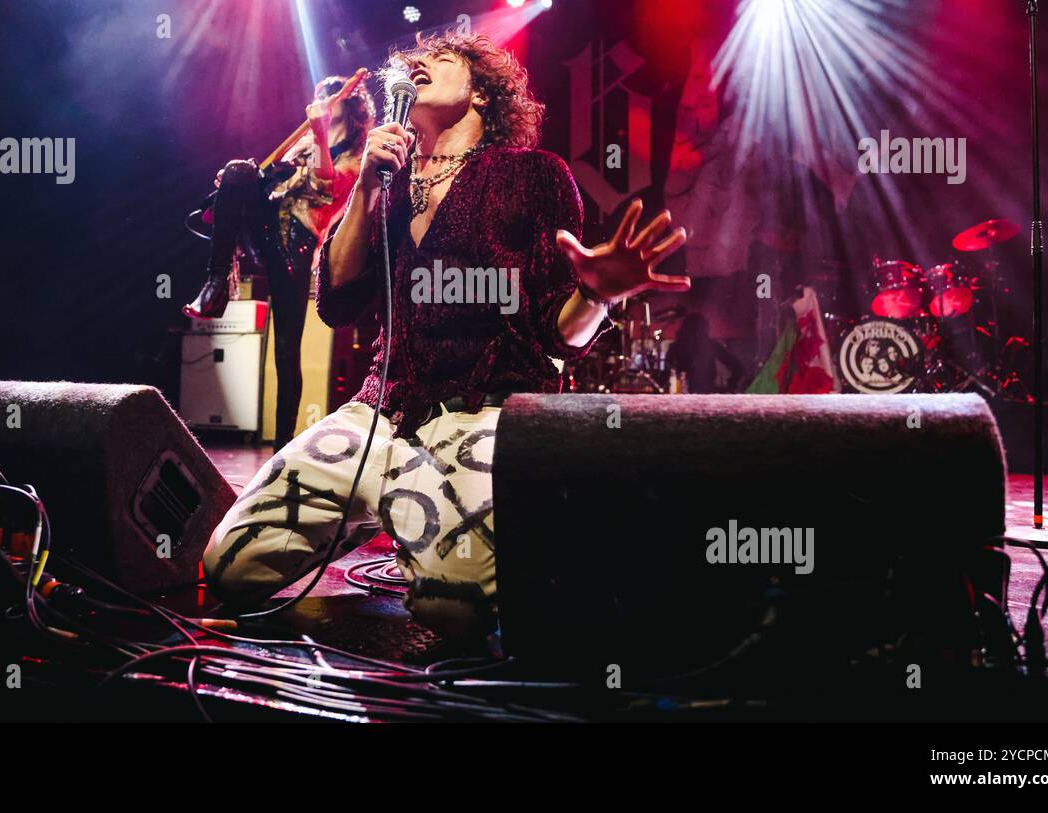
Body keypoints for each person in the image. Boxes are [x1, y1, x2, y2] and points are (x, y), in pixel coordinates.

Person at [203, 33, 692, 636]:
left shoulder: (533, 176)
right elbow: (335, 301)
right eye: (409, 63)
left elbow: (555, 339)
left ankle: (500, 532)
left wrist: (595, 294)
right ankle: (382, 507)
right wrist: (366, 188)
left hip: (479, 413)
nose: (416, 65)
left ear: (483, 92)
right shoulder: (385, 180)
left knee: (454, 611)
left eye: (439, 59)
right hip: (380, 410)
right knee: (230, 566)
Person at [183, 76, 374, 450]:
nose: (321, 101)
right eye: (320, 95)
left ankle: (283, 443)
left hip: (297, 243)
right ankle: (216, 283)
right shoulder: (300, 144)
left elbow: (325, 186)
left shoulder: (354, 156)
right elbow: (268, 186)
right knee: (239, 169)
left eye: (330, 97)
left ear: (347, 106)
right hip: (266, 226)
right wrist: (235, 186)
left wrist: (320, 133)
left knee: (287, 347)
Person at [665, 312, 746, 393]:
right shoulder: (710, 345)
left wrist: (730, 386)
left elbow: (666, 372)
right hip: (700, 393)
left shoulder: (677, 347)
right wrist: (730, 386)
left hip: (684, 394)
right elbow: (738, 367)